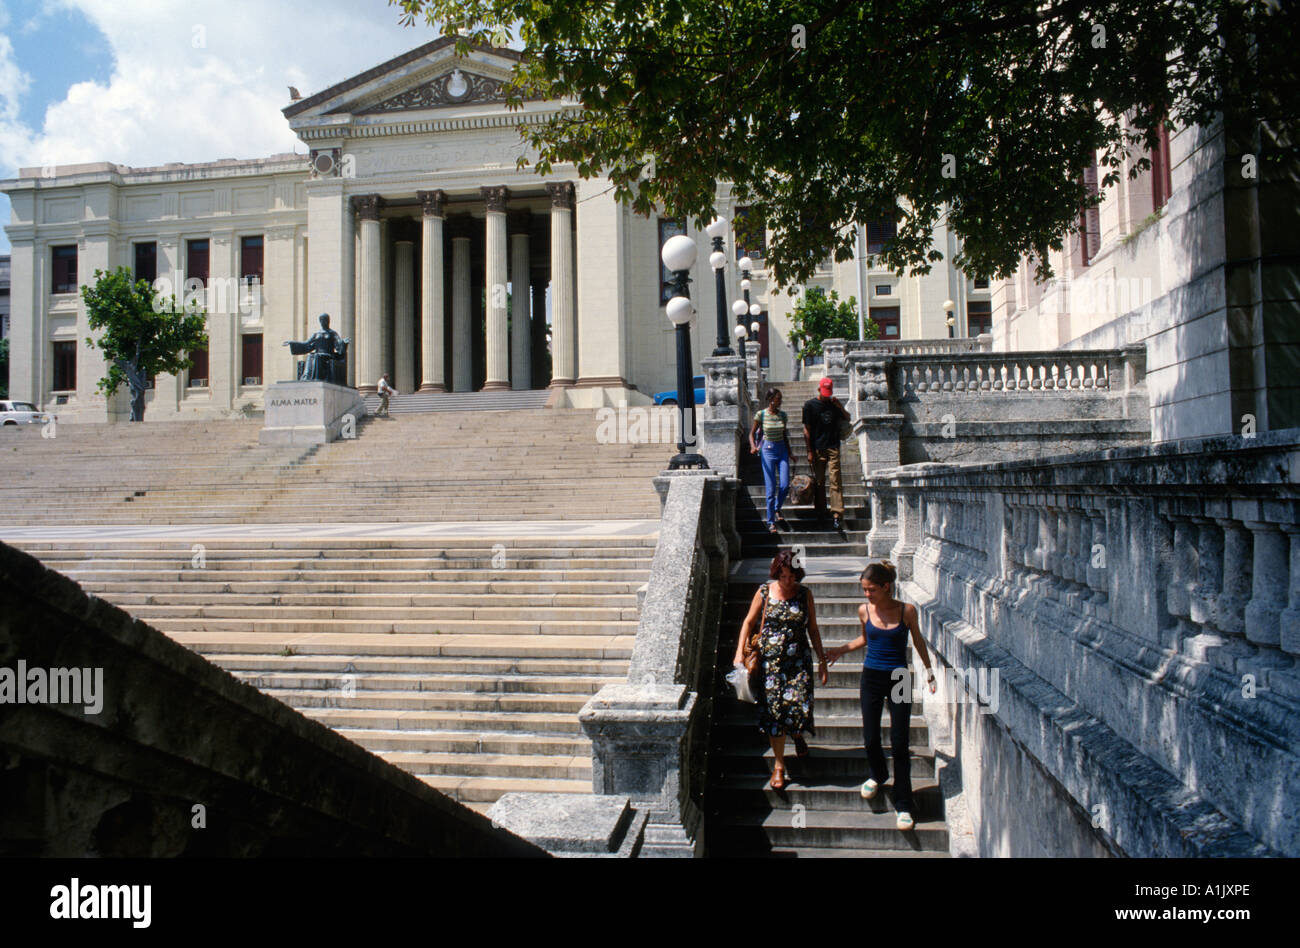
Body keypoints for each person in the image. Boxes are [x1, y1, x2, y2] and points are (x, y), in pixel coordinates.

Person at [825, 560, 937, 831]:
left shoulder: (906, 611)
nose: (867, 595)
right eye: (864, 589)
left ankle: (904, 803)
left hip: (899, 677)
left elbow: (918, 640)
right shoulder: (864, 610)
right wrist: (841, 649)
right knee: (871, 737)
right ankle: (878, 774)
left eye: (871, 589)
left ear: (886, 587)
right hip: (872, 676)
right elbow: (865, 639)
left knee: (900, 743)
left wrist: (929, 670)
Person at [733, 550, 828, 791]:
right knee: (775, 713)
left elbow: (813, 629)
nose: (787, 581)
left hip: (798, 662)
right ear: (777, 573)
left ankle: (796, 734)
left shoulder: (805, 595)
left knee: (799, 706)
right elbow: (748, 621)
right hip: (770, 664)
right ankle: (778, 766)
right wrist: (738, 654)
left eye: (792, 576)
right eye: (783, 575)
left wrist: (822, 660)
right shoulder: (765, 592)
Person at [802, 376, 851, 531]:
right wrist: (809, 450)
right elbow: (806, 430)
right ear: (819, 390)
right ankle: (821, 512)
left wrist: (839, 406)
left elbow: (848, 418)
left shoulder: (834, 404)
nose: (826, 395)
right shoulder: (809, 405)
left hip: (833, 446)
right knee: (819, 481)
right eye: (824, 392)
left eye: (828, 392)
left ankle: (837, 514)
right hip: (817, 448)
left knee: (836, 481)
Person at [749, 388, 793, 533]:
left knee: (785, 485)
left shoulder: (783, 415)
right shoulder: (761, 414)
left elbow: (784, 435)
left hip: (782, 450)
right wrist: (753, 446)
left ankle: (776, 508)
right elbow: (751, 434)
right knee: (771, 487)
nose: (780, 401)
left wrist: (790, 453)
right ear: (771, 399)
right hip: (767, 450)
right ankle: (771, 522)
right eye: (778, 398)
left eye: (781, 398)